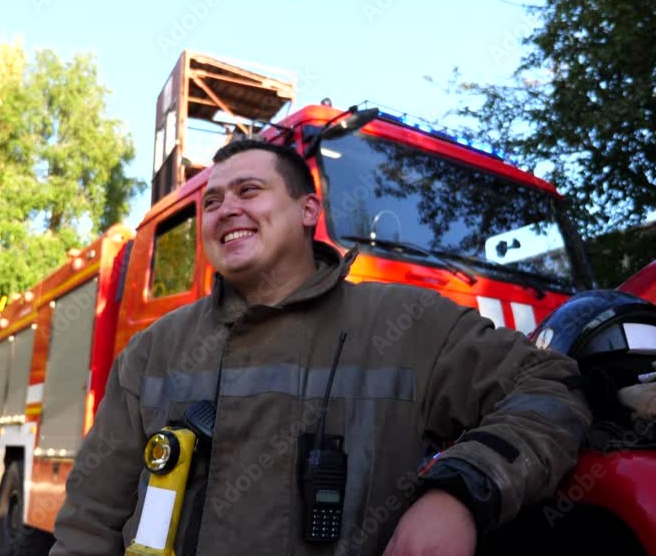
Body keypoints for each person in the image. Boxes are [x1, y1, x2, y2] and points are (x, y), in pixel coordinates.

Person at [50, 139, 592, 556]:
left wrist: (461, 492)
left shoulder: (408, 323)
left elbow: (552, 388)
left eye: (248, 191)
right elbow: (90, 520)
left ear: (309, 210)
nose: (224, 209)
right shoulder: (152, 352)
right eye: (211, 201)